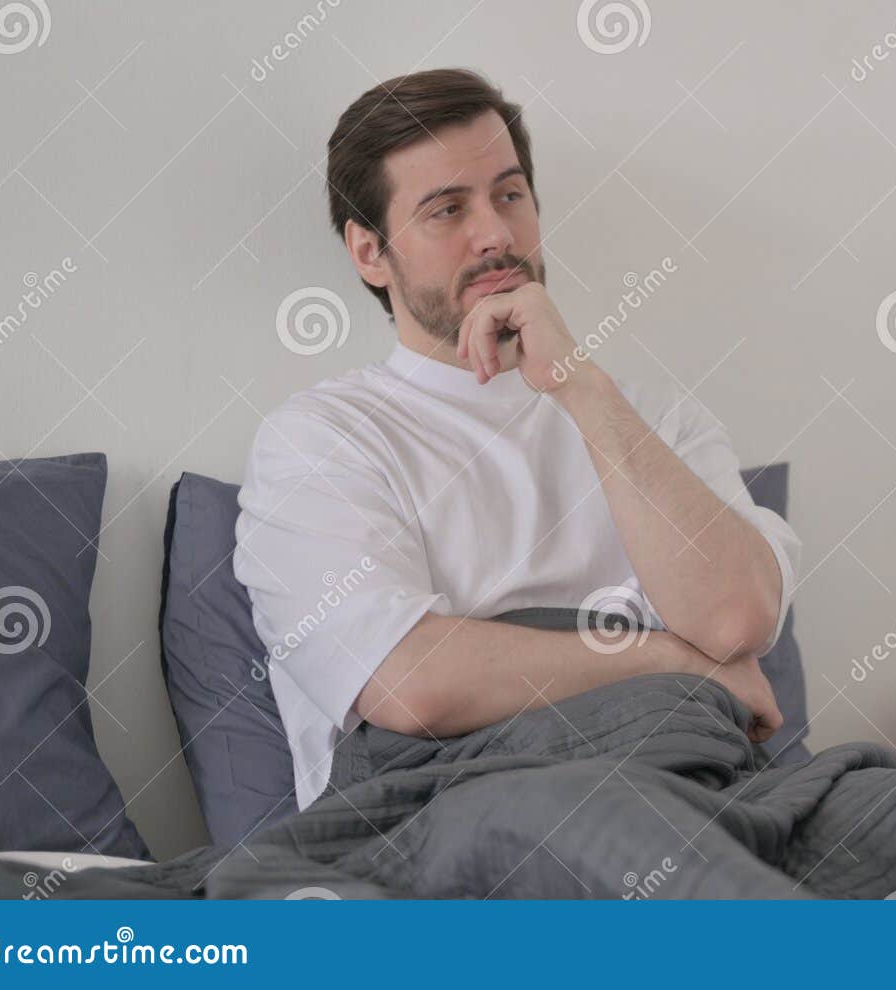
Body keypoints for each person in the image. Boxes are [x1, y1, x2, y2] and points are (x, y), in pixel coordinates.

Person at [233, 68, 798, 811]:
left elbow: (734, 622)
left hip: (704, 792)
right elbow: (411, 683)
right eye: (446, 210)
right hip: (462, 819)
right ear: (370, 253)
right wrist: (670, 659)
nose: (496, 234)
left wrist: (582, 389)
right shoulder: (319, 442)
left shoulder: (657, 419)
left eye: (510, 195)